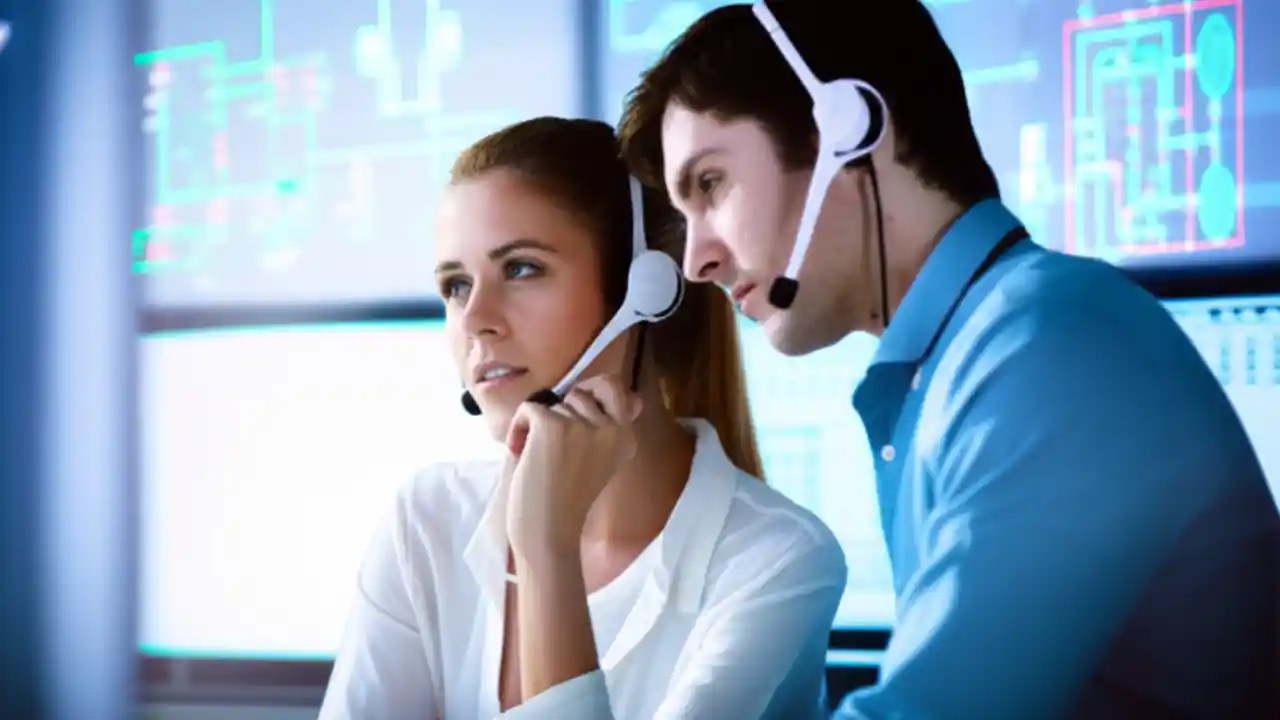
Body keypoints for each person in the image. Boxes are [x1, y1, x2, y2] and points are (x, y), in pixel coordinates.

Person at [608, 1, 1280, 718]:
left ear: (850, 130)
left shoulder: (1050, 346)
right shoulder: (959, 361)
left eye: (711, 184)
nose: (697, 260)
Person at [318, 116, 848, 719]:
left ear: (645, 287)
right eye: (457, 285)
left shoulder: (776, 560)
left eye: (521, 269)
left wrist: (546, 547)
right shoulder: (427, 519)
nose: (475, 320)